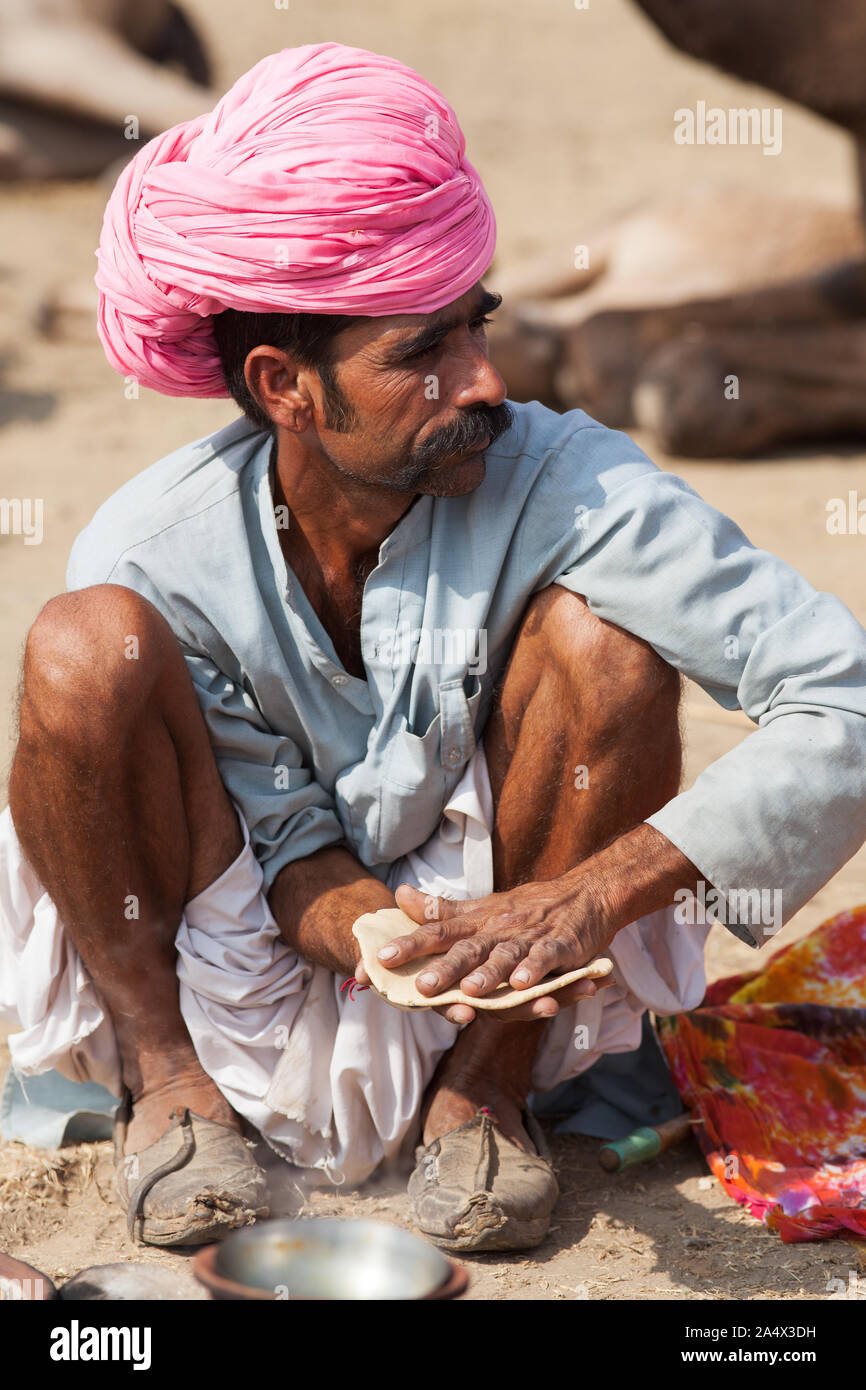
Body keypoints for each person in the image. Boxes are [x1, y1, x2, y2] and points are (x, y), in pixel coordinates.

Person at [2, 42, 865, 1254]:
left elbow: (843, 697)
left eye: (476, 325)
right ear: (283, 385)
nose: (485, 379)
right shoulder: (157, 548)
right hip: (247, 945)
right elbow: (283, 841)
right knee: (79, 647)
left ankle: (489, 1094)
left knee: (603, 644)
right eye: (422, 352)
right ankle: (165, 1081)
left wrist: (583, 901)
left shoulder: (566, 482)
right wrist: (373, 928)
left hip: (518, 960)